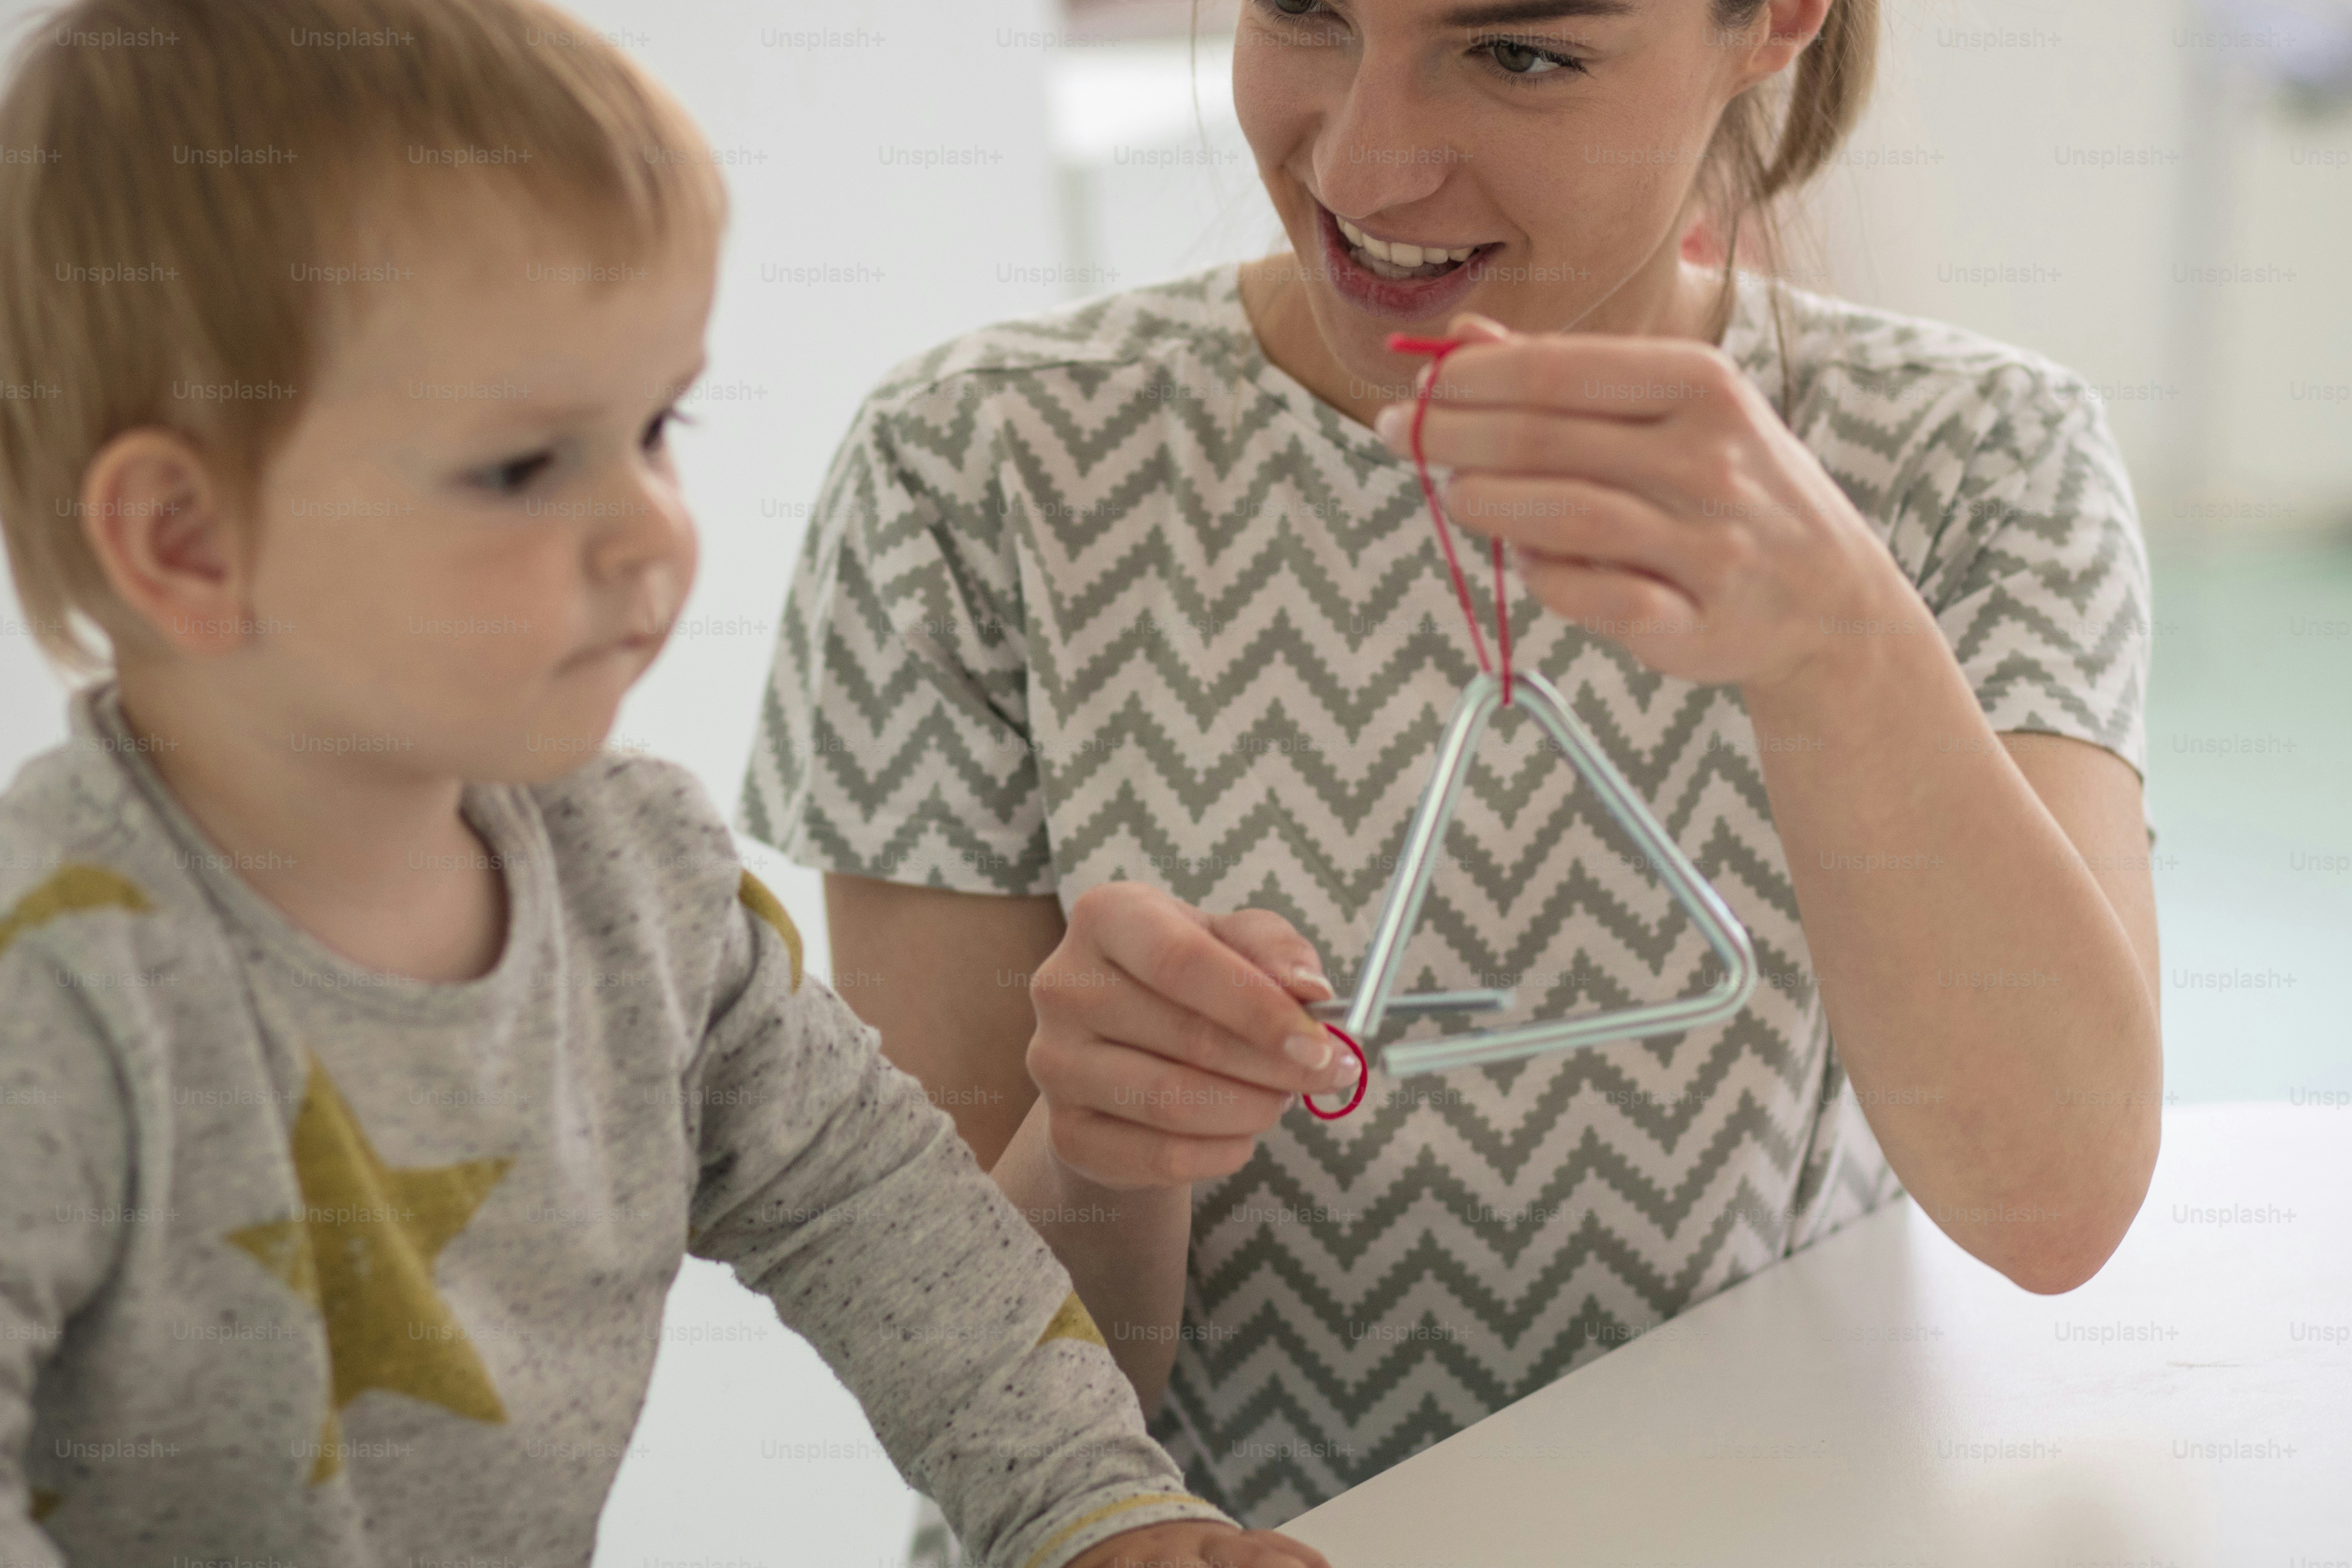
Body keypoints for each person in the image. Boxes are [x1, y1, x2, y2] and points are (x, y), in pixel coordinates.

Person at [742, 0, 2164, 1538]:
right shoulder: (967, 465)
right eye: (1303, 13)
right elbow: (968, 1393)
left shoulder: (1979, 463)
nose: (1365, 166)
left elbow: (2052, 1208)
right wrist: (1101, 1141)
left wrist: (1838, 645)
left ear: (1768, 25)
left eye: (1519, 55)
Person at [0, 4, 1337, 1566]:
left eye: (653, 428)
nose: (651, 531)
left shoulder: (635, 871)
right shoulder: (59, 977)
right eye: (521, 466)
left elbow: (885, 1223)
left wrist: (1092, 1505)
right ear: (185, 542)